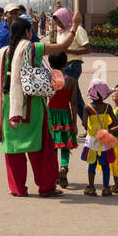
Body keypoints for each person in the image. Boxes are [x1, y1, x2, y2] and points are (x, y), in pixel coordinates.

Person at [0, 10, 83, 197]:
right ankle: (46, 186)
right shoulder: (32, 48)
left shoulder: (2, 53)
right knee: (41, 148)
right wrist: (75, 25)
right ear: (27, 32)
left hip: (9, 107)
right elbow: (63, 46)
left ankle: (18, 188)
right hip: (33, 105)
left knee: (13, 149)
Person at [52, 6, 90, 136]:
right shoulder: (61, 32)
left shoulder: (77, 30)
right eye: (56, 21)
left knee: (73, 97)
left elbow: (87, 49)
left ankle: (88, 126)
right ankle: (89, 125)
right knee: (73, 97)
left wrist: (68, 50)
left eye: (60, 21)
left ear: (66, 18)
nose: (58, 24)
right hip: (63, 67)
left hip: (73, 65)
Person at [46, 52, 77, 186]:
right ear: (66, 63)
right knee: (65, 146)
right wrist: (74, 123)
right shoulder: (71, 81)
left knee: (52, 146)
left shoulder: (47, 79)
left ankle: (53, 174)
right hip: (65, 116)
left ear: (50, 63)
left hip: (50, 115)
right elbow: (74, 104)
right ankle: (64, 168)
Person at [83, 80, 116, 196]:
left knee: (91, 163)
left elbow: (84, 123)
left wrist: (90, 128)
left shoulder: (87, 107)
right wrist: (107, 129)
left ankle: (91, 188)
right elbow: (115, 122)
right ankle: (106, 188)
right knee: (105, 165)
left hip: (92, 139)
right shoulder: (108, 107)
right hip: (104, 137)